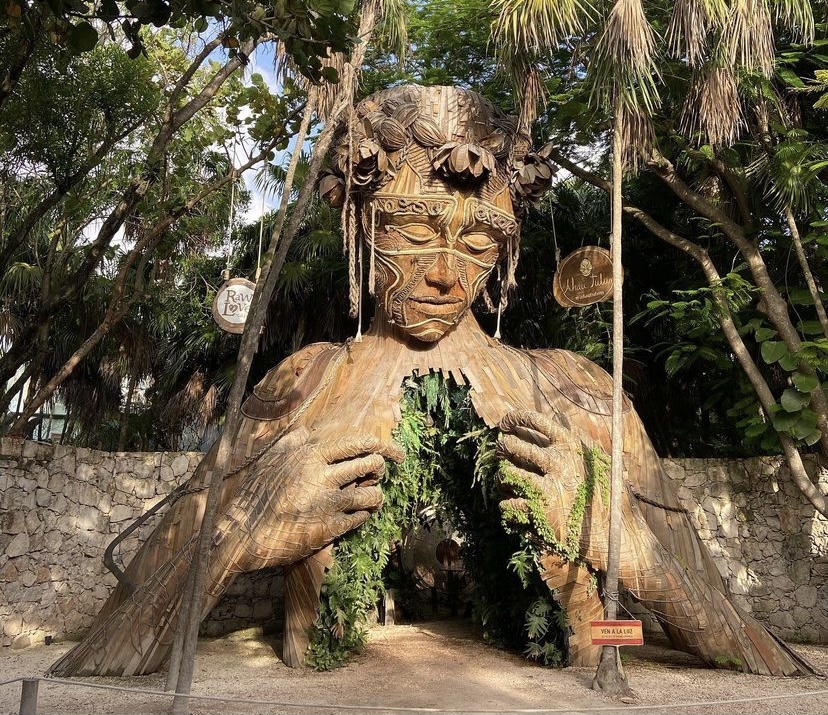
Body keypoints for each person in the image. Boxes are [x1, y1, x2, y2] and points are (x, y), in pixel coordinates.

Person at [50, 84, 812, 677]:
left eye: (478, 240)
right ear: (361, 226)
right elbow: (113, 649)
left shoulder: (582, 392)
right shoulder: (305, 382)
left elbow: (744, 642)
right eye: (413, 233)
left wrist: (625, 538)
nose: (446, 275)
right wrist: (243, 529)